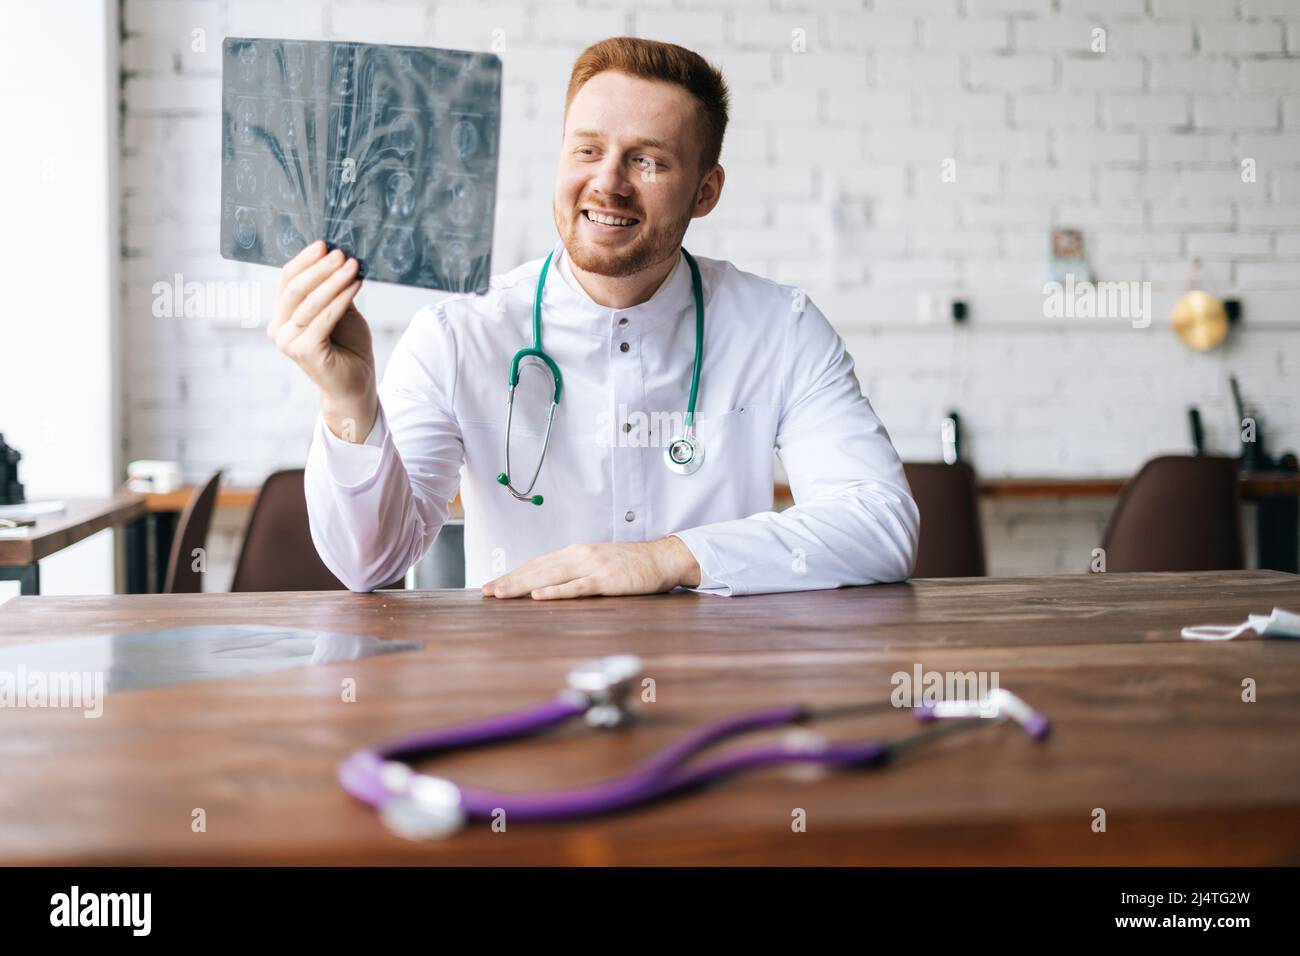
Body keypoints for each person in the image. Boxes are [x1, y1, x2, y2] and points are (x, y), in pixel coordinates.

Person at [268, 36, 918, 600]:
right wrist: (348, 403)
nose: (608, 184)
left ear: (706, 192)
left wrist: (661, 559)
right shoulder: (458, 335)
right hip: (518, 691)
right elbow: (368, 565)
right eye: (586, 151)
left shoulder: (782, 327)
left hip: (714, 682)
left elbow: (879, 524)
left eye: (649, 160)